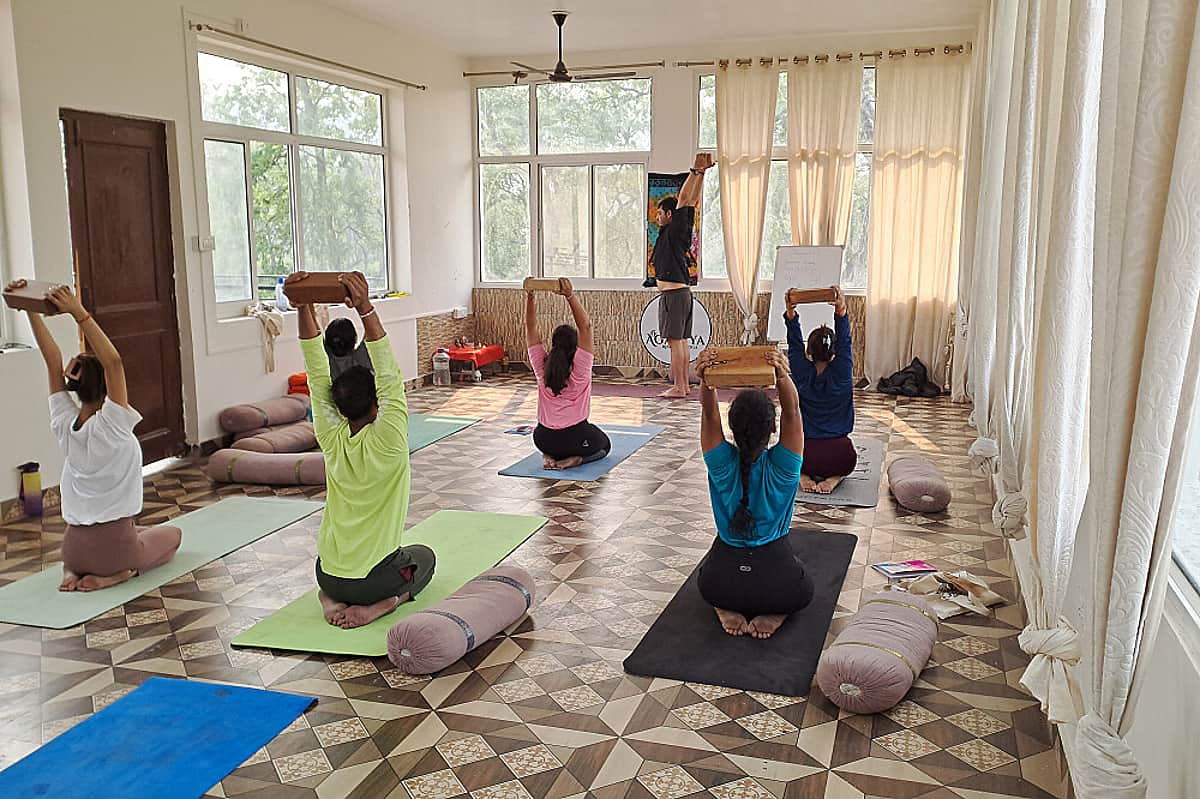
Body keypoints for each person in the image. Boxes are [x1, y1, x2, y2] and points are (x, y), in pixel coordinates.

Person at [6, 281, 181, 592]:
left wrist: (28, 307)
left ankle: (73, 573)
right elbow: (113, 361)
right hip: (114, 551)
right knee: (173, 537)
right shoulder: (112, 425)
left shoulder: (65, 423)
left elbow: (52, 360)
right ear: (107, 388)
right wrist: (78, 312)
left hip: (71, 549)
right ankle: (119, 574)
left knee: (137, 532)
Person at [290, 270, 435, 629]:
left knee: (344, 571)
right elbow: (388, 372)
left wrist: (302, 304)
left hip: (328, 574)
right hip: (373, 583)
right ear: (377, 402)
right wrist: (365, 307)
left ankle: (329, 599)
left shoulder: (330, 435)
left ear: (337, 409)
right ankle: (384, 604)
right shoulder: (389, 439)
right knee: (424, 558)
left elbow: (316, 370)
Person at [693, 346, 813, 639]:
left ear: (732, 427)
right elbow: (793, 412)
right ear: (772, 427)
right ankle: (775, 611)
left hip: (721, 584)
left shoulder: (720, 462)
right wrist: (782, 373)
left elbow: (709, 415)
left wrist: (705, 379)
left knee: (704, 579)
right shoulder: (784, 466)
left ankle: (725, 607)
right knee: (804, 587)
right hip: (776, 585)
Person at [525, 278, 611, 470]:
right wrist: (570, 296)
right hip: (574, 437)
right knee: (605, 445)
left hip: (542, 438)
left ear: (553, 344)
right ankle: (576, 459)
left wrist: (530, 295)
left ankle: (548, 456)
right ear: (576, 347)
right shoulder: (580, 370)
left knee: (555, 442)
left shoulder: (542, 367)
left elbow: (531, 328)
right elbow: (586, 328)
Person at [651, 152, 714, 398]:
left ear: (669, 214)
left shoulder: (676, 229)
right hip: (679, 294)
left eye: (660, 214)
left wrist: (696, 171)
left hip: (675, 294)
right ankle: (683, 385)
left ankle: (679, 386)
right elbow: (690, 200)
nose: (657, 218)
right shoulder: (671, 234)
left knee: (676, 342)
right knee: (681, 342)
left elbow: (686, 199)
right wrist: (702, 174)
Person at [785, 285, 856, 494]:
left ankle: (803, 474)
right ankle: (834, 478)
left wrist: (791, 313)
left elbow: (794, 344)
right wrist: (840, 310)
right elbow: (845, 341)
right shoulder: (842, 372)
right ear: (834, 354)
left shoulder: (800, 372)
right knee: (848, 459)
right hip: (839, 455)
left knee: (787, 454)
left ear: (808, 352)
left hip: (804, 453)